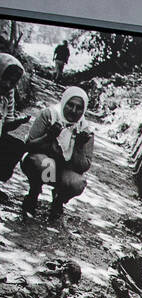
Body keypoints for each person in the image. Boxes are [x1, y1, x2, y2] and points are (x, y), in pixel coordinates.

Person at [21, 85, 93, 222]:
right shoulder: (50, 115)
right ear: (64, 102)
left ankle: (59, 200)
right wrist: (49, 137)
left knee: (78, 183)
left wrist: (78, 146)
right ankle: (34, 192)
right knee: (43, 163)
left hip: (63, 170)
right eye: (70, 105)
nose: (73, 110)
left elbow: (84, 166)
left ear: (83, 111)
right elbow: (28, 145)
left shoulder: (85, 130)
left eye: (79, 108)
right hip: (43, 164)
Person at [0, 53, 29, 185]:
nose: (8, 84)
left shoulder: (7, 93)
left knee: (16, 146)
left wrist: (18, 122)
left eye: (13, 82)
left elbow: (5, 126)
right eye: (6, 79)